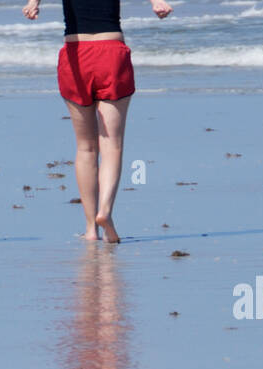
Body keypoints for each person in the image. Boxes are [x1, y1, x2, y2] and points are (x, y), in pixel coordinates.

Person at [22, 0, 172, 243]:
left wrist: (33, 3)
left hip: (76, 55)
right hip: (111, 53)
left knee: (85, 147)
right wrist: (156, 1)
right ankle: (106, 212)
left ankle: (91, 229)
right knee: (111, 144)